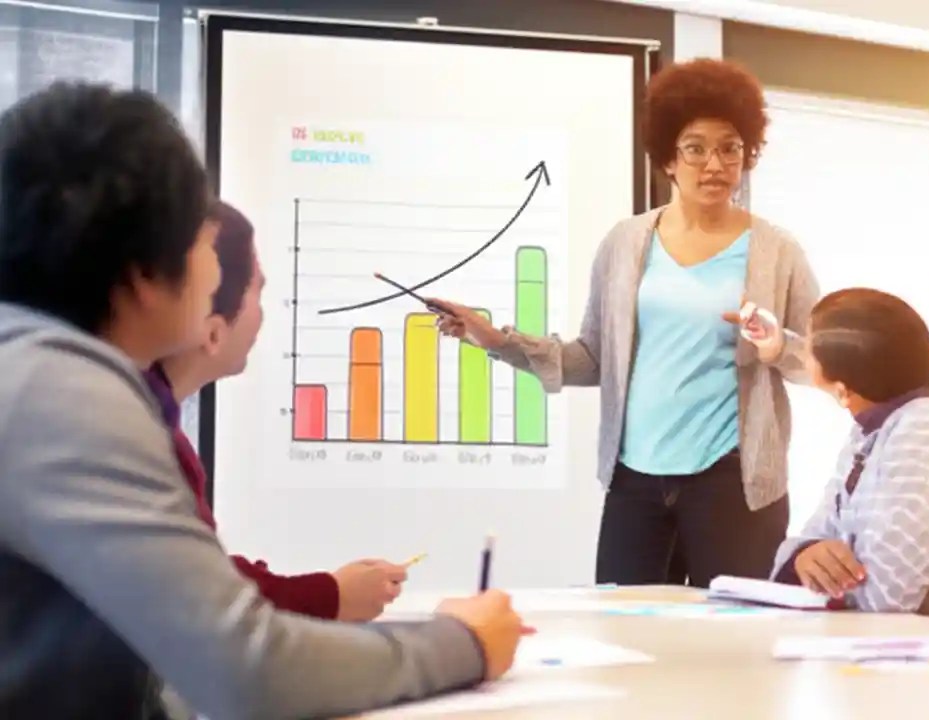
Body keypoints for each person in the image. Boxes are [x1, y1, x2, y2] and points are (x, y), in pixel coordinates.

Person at [0, 81, 523, 719]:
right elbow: (247, 669)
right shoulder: (65, 401)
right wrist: (464, 643)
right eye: (200, 237)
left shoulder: (36, 372)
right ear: (143, 274)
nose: (216, 268)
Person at [430, 59, 819, 588]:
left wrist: (777, 348)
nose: (715, 164)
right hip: (635, 482)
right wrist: (496, 339)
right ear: (667, 157)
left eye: (730, 148)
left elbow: (819, 359)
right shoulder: (625, 243)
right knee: (626, 625)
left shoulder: (777, 250)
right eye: (695, 148)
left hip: (734, 482)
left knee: (732, 632)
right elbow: (594, 358)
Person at [144, 200, 405, 622]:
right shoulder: (138, 441)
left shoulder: (146, 420)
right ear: (212, 329)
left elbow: (199, 574)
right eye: (258, 292)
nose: (264, 314)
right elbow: (199, 597)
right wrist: (330, 596)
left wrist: (331, 593)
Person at [768, 288, 929, 621]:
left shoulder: (928, 429)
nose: (802, 354)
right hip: (889, 643)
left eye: (808, 347)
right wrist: (805, 555)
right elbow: (811, 536)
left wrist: (826, 578)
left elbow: (889, 595)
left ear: (842, 389)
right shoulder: (868, 431)